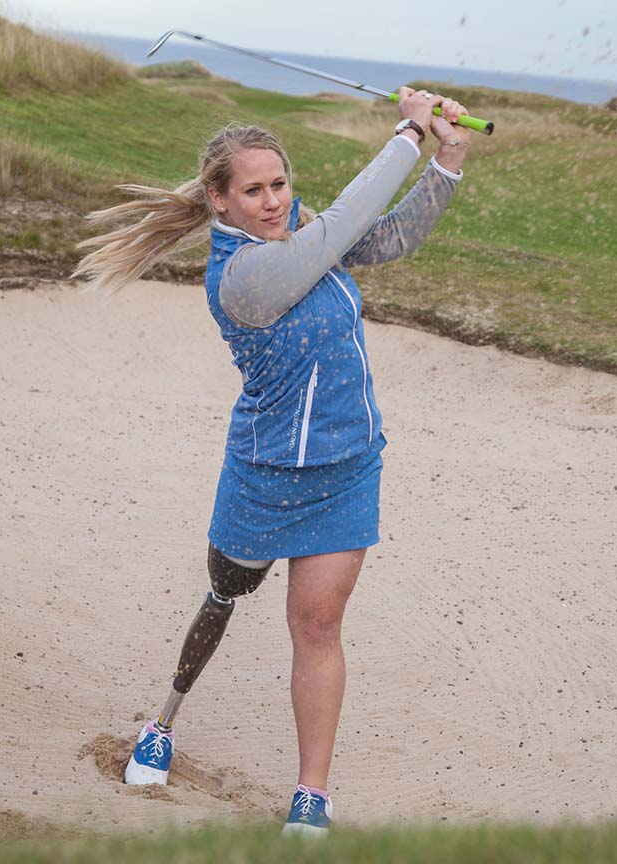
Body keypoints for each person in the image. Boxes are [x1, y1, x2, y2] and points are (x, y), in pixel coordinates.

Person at [73, 85, 472, 836]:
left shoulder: (309, 234)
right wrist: (405, 134)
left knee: (317, 624)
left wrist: (446, 155)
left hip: (347, 464)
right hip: (264, 474)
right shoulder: (243, 278)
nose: (271, 201)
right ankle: (166, 717)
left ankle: (310, 796)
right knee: (223, 598)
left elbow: (384, 237)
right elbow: (349, 222)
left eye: (279, 184)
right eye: (252, 190)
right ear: (219, 202)